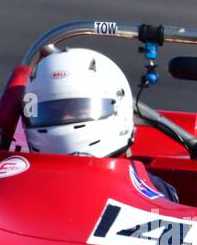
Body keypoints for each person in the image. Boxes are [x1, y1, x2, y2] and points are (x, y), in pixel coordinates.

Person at [22, 48, 179, 201]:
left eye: (78, 108)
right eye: (51, 111)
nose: (65, 117)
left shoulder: (153, 191)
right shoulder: (19, 183)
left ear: (118, 107)